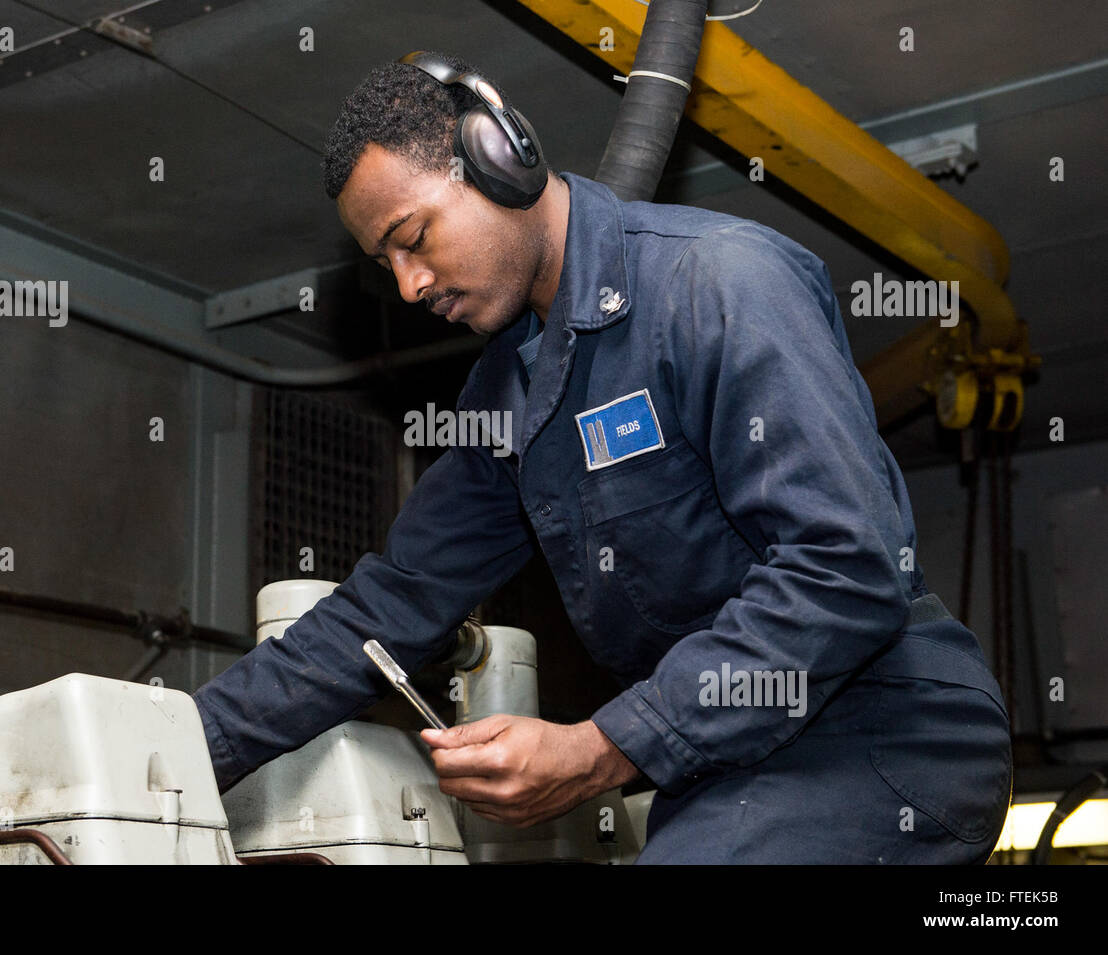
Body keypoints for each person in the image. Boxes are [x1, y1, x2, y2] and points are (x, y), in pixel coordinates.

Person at [192, 51, 1013, 863]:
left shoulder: (719, 284)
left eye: (413, 238)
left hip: (878, 732)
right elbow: (392, 606)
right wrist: (173, 745)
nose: (408, 285)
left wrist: (604, 747)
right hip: (726, 767)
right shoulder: (506, 394)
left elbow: (847, 566)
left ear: (498, 161)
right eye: (386, 263)